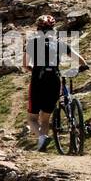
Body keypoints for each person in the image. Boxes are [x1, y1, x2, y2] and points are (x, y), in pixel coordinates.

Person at [24, 14, 63, 152]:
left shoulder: (32, 42)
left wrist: (31, 69)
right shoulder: (58, 43)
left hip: (38, 81)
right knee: (45, 118)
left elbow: (25, 63)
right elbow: (76, 58)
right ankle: (42, 146)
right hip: (55, 80)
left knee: (32, 118)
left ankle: (42, 137)